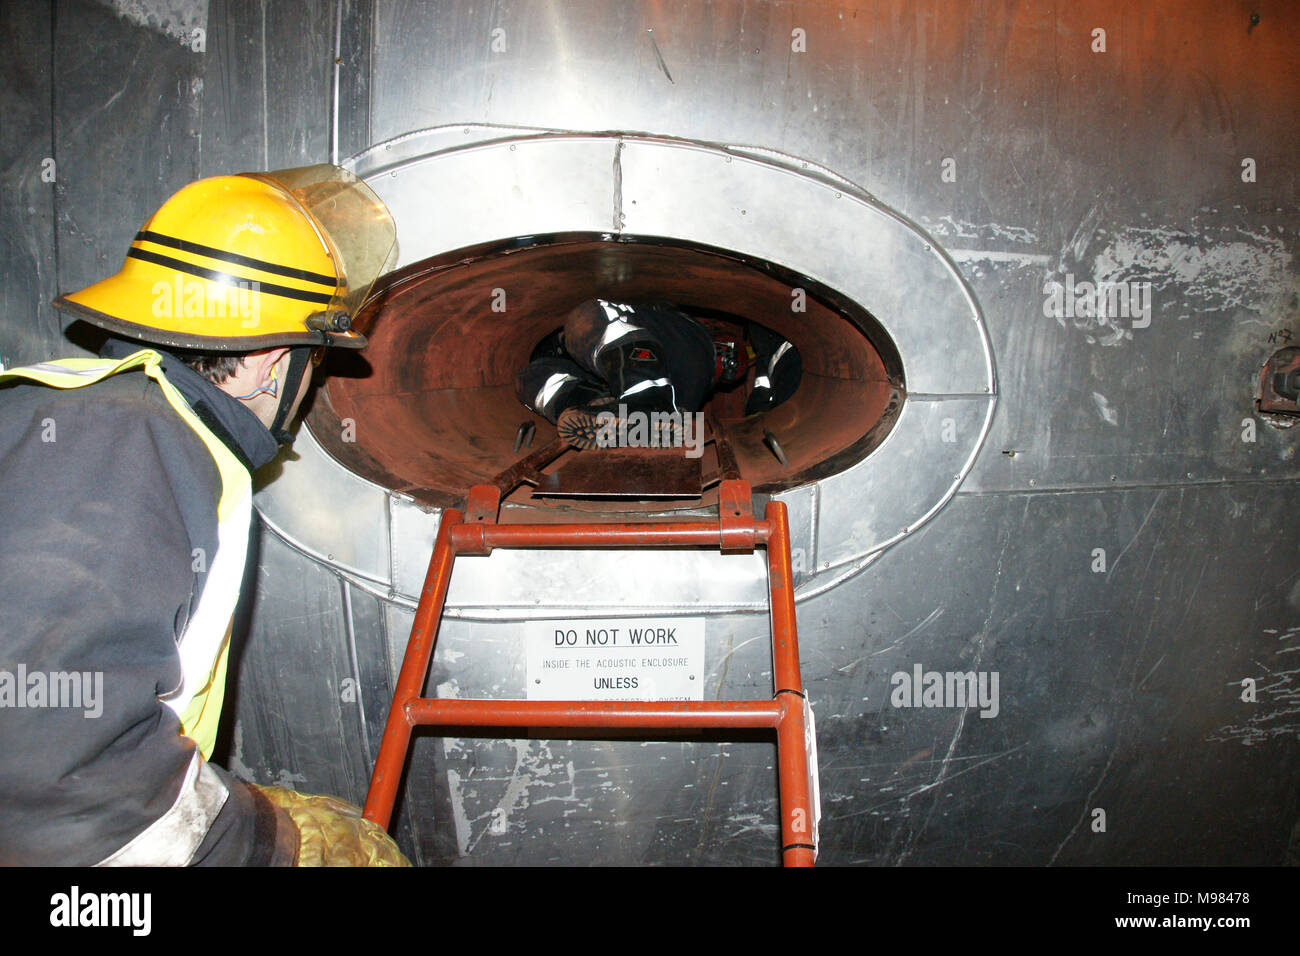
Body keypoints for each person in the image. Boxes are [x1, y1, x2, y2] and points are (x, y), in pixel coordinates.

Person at [0, 164, 408, 866]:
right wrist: (248, 846)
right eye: (313, 360)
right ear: (271, 362)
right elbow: (47, 765)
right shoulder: (129, 443)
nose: (309, 385)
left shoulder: (84, 414)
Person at [515, 298, 799, 449]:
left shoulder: (687, 329)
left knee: (593, 316)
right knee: (532, 377)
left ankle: (648, 403)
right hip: (674, 400)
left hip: (689, 352)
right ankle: (600, 409)